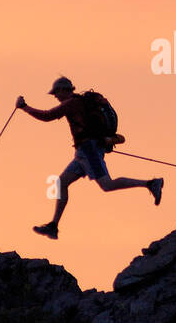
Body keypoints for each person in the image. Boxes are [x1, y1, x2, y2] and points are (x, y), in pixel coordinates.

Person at [16, 76, 163, 239]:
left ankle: (150, 183)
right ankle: (53, 226)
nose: (56, 97)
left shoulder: (71, 104)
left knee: (107, 185)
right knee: (61, 182)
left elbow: (47, 116)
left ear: (65, 90)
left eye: (56, 93)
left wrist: (24, 107)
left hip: (88, 150)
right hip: (83, 152)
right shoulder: (80, 102)